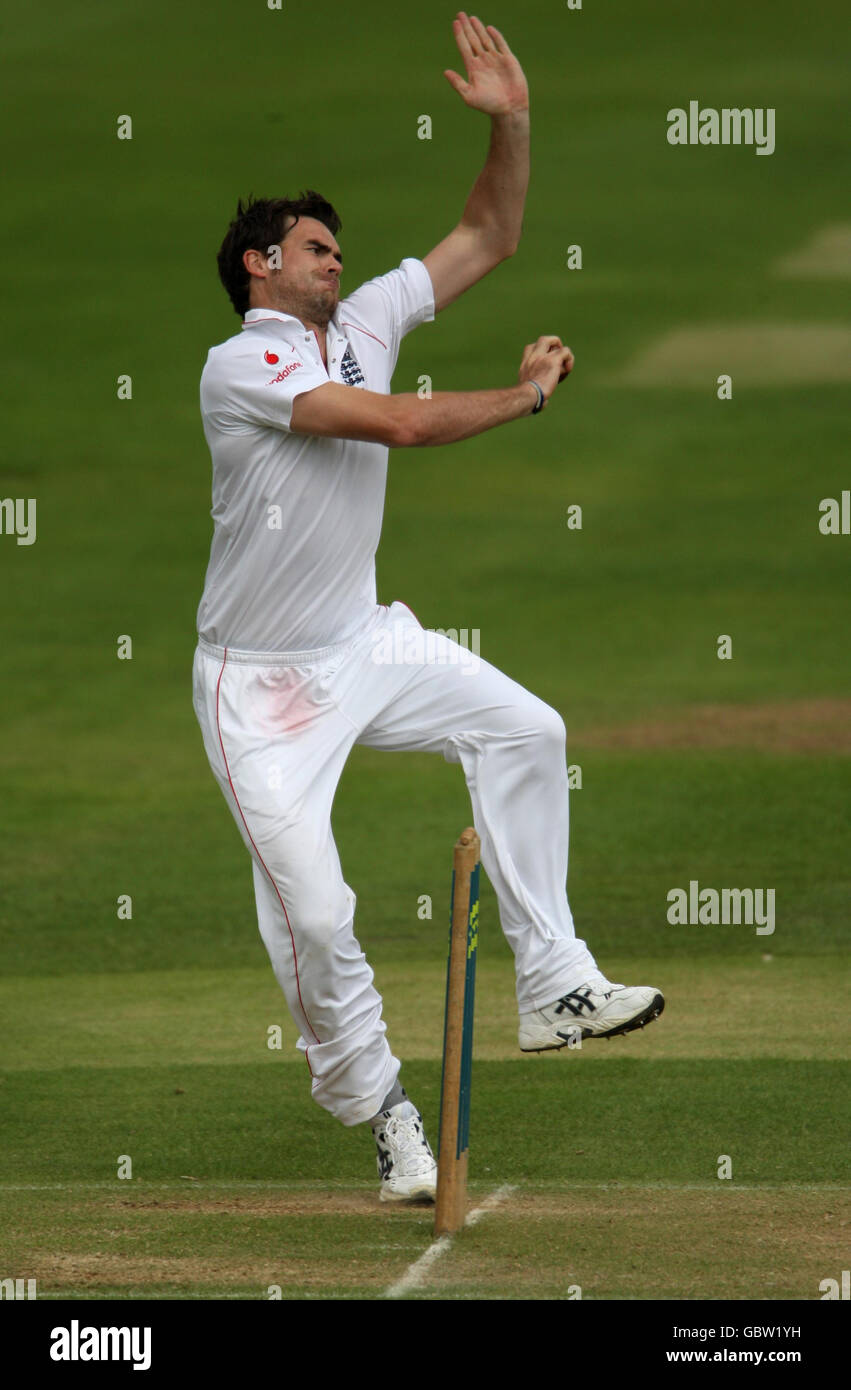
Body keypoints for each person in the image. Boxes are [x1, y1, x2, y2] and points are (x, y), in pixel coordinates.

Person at [192, 12, 663, 1204]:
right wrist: (519, 398)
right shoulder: (242, 364)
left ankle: (554, 979)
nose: (335, 263)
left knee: (527, 729)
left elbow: (487, 232)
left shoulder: (364, 323)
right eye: (312, 248)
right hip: (261, 688)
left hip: (364, 640)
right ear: (259, 266)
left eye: (337, 249)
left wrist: (511, 121)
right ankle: (385, 1112)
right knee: (315, 906)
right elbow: (397, 424)